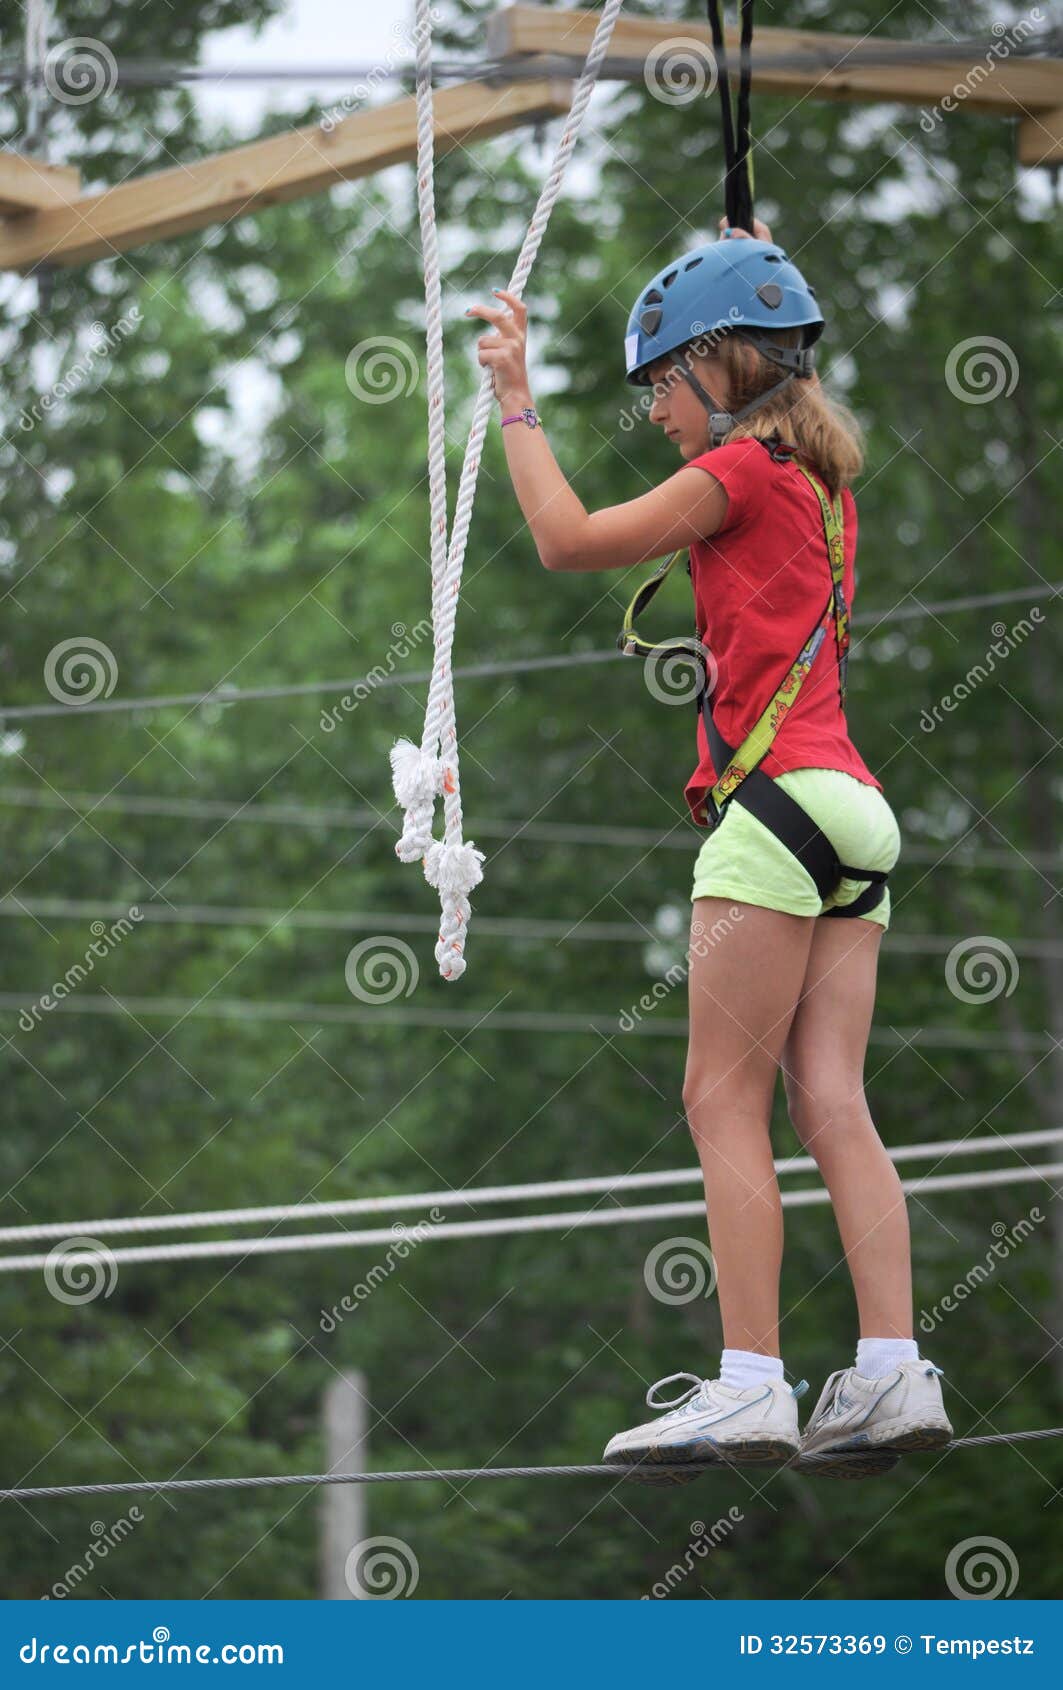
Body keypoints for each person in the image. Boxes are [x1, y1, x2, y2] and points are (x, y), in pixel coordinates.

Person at [465, 219, 952, 1478]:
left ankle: (749, 1381)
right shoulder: (826, 487)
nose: (655, 413)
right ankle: (895, 1369)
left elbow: (570, 539)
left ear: (720, 365)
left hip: (777, 814)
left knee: (718, 1098)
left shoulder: (739, 471)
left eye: (659, 385)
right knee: (831, 1099)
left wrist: (516, 402)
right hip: (856, 810)